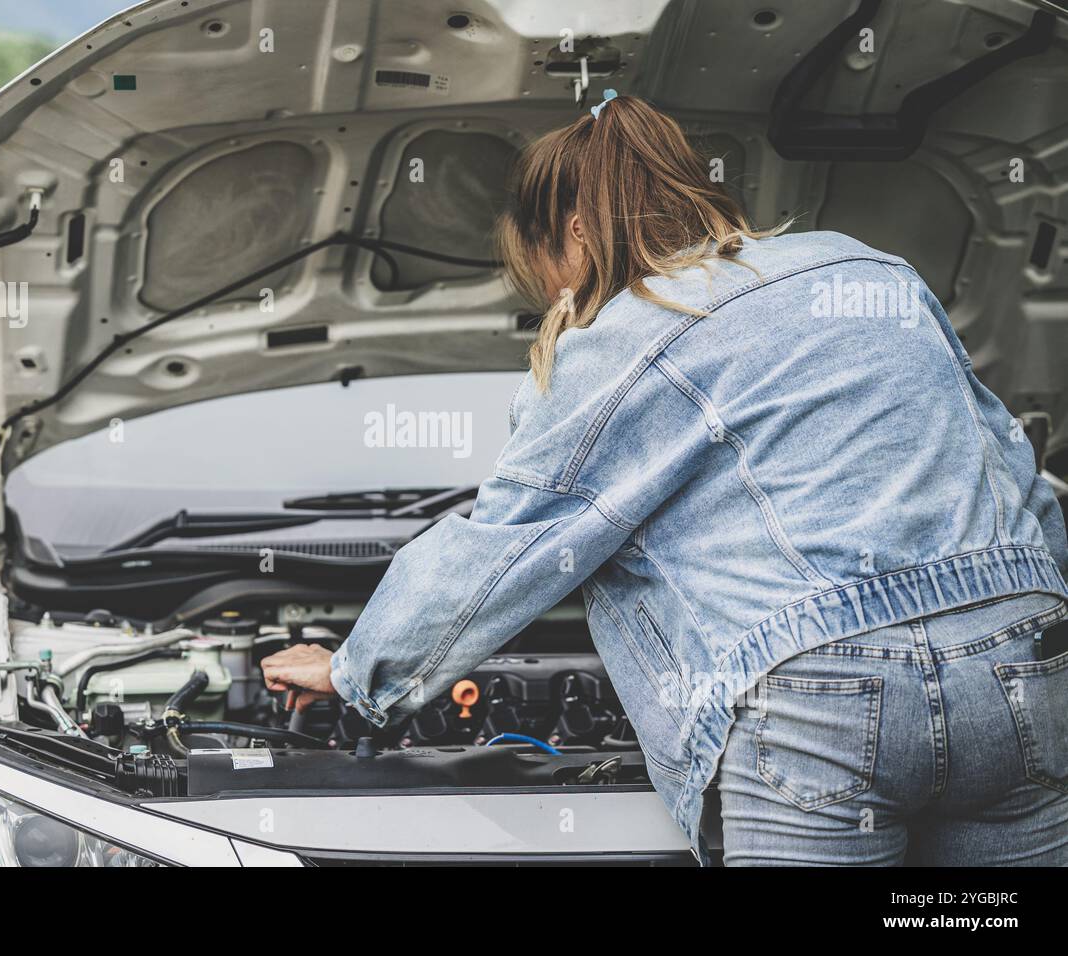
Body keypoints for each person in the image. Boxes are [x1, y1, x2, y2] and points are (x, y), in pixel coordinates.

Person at [261, 93, 1068, 866]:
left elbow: (506, 545)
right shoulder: (867, 271)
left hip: (825, 705)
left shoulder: (626, 337)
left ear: (574, 232)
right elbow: (1014, 467)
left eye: (542, 265)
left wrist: (355, 672)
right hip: (1018, 675)